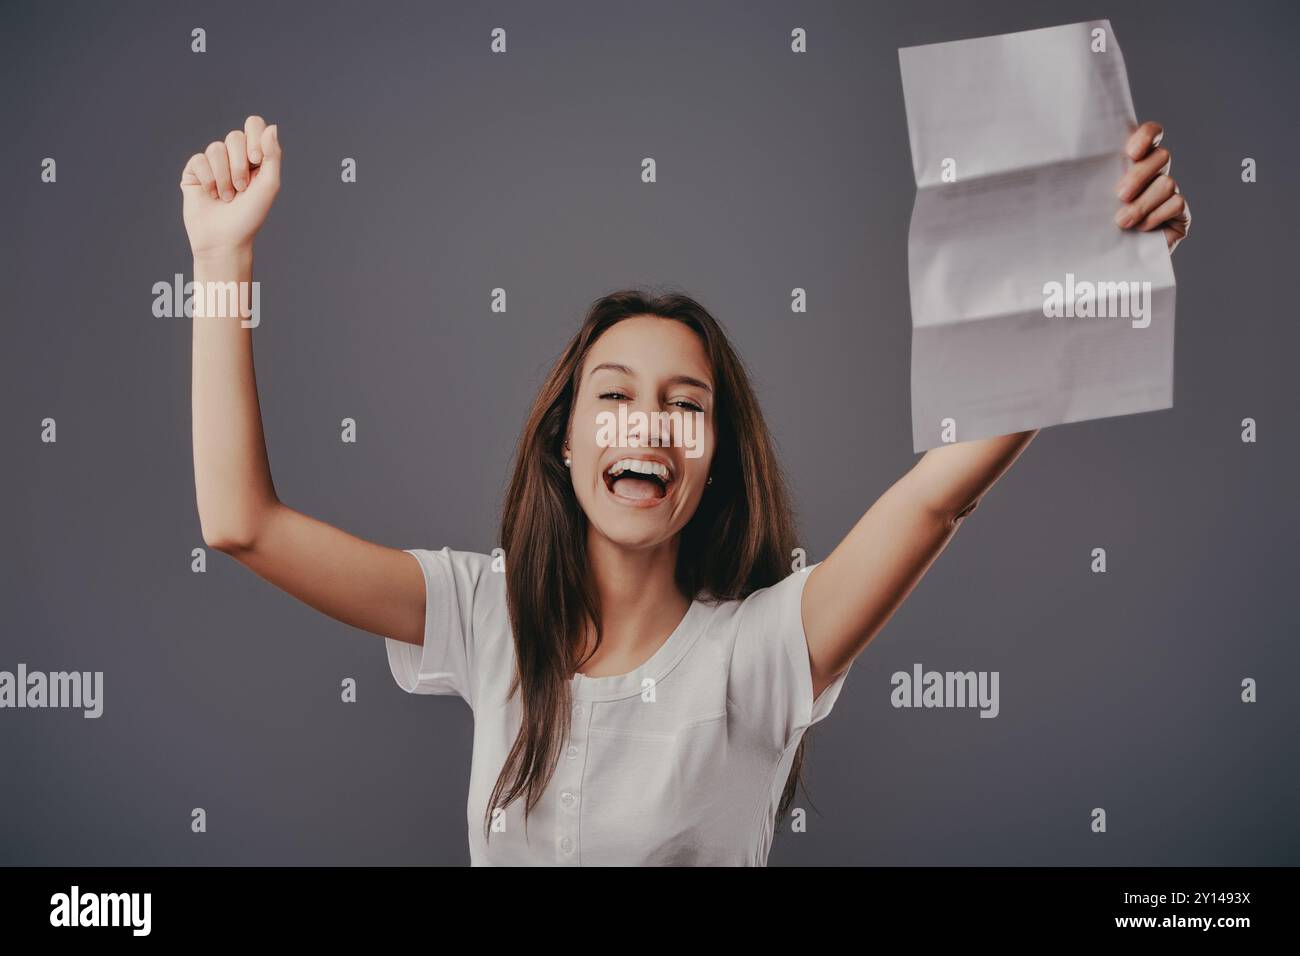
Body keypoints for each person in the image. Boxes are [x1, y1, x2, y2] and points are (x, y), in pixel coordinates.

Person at [180, 115, 1191, 865]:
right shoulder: (486, 614)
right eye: (614, 394)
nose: (649, 424)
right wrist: (223, 257)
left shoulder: (758, 654)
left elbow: (936, 498)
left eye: (684, 404)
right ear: (562, 444)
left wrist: (1085, 292)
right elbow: (242, 523)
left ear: (709, 463)